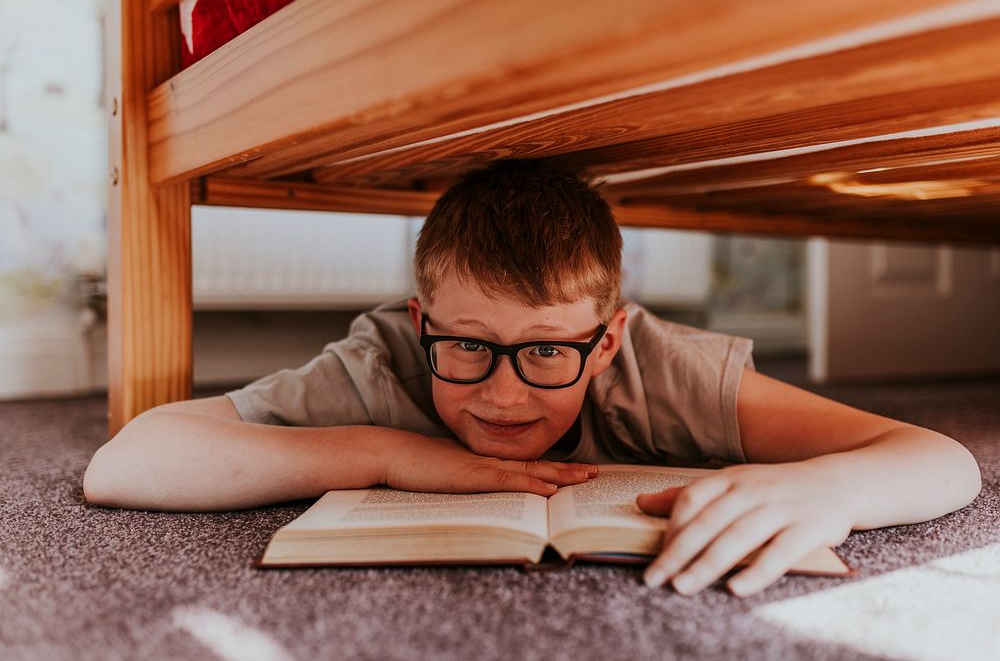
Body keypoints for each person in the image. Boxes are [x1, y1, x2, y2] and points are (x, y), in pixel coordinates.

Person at [83, 159, 982, 598]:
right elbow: (124, 463)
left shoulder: (657, 365)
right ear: (420, 321)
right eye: (467, 346)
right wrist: (389, 453)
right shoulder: (385, 362)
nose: (502, 394)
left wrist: (829, 487)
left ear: (607, 338)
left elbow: (941, 457)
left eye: (548, 350)